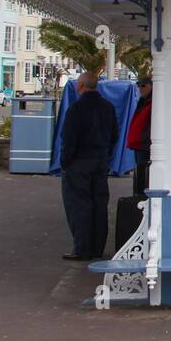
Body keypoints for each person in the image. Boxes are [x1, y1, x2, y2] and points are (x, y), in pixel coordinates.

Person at [60, 72, 118, 261]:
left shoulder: (76, 108)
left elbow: (69, 139)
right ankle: (97, 247)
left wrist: (65, 162)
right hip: (100, 161)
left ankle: (82, 248)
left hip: (79, 163)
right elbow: (115, 135)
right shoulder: (108, 107)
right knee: (99, 204)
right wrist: (106, 155)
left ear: (81, 86)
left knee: (79, 205)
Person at [126, 77, 153, 198]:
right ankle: (139, 195)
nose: (140, 88)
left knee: (143, 172)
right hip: (140, 144)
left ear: (151, 86)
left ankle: (141, 196)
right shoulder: (143, 101)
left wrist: (145, 139)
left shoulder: (152, 103)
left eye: (143, 86)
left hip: (145, 145)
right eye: (139, 86)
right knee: (140, 171)